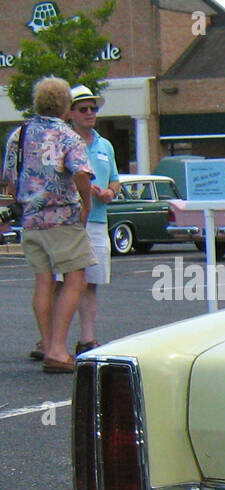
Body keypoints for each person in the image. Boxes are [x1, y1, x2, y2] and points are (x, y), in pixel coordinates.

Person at [1, 76, 94, 373]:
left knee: (43, 281)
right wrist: (85, 206)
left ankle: (47, 344)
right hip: (62, 216)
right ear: (66, 106)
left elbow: (10, 180)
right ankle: (58, 350)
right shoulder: (68, 136)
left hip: (31, 219)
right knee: (75, 280)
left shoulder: (19, 134)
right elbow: (81, 173)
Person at [60, 84, 119, 356]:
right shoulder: (63, 142)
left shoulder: (105, 144)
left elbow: (115, 180)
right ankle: (51, 341)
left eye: (93, 108)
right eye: (83, 109)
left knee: (91, 281)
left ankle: (87, 338)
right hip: (69, 221)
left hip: (97, 219)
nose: (90, 113)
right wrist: (83, 188)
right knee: (63, 281)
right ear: (70, 113)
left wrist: (109, 192)